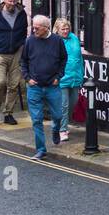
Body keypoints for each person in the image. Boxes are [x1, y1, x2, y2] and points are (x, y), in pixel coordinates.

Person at [20, 14, 67, 160]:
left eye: (37, 28)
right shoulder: (29, 41)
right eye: (33, 27)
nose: (34, 30)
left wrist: (58, 77)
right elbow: (23, 61)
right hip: (35, 87)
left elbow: (64, 59)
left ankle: (55, 129)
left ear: (46, 28)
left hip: (52, 86)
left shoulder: (57, 41)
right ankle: (41, 149)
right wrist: (27, 78)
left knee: (58, 116)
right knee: (37, 120)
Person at [54, 18, 83, 143]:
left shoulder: (74, 38)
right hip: (62, 78)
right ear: (57, 30)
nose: (65, 31)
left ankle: (61, 123)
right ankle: (62, 129)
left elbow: (79, 58)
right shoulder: (54, 41)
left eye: (67, 28)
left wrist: (81, 75)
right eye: (63, 29)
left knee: (73, 103)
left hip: (75, 77)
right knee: (64, 105)